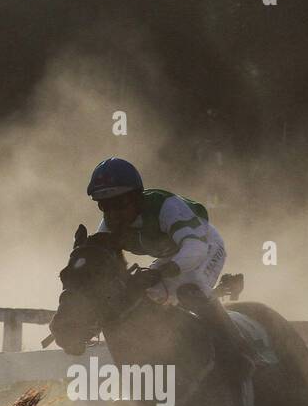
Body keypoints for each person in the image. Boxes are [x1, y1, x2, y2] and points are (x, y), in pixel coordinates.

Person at [87, 157, 262, 386]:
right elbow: (100, 264)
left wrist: (160, 272)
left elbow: (195, 249)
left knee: (191, 286)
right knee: (148, 295)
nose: (113, 214)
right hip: (171, 255)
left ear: (136, 198)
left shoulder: (167, 207)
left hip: (204, 246)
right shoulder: (109, 225)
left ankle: (241, 351)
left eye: (119, 204)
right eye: (104, 205)